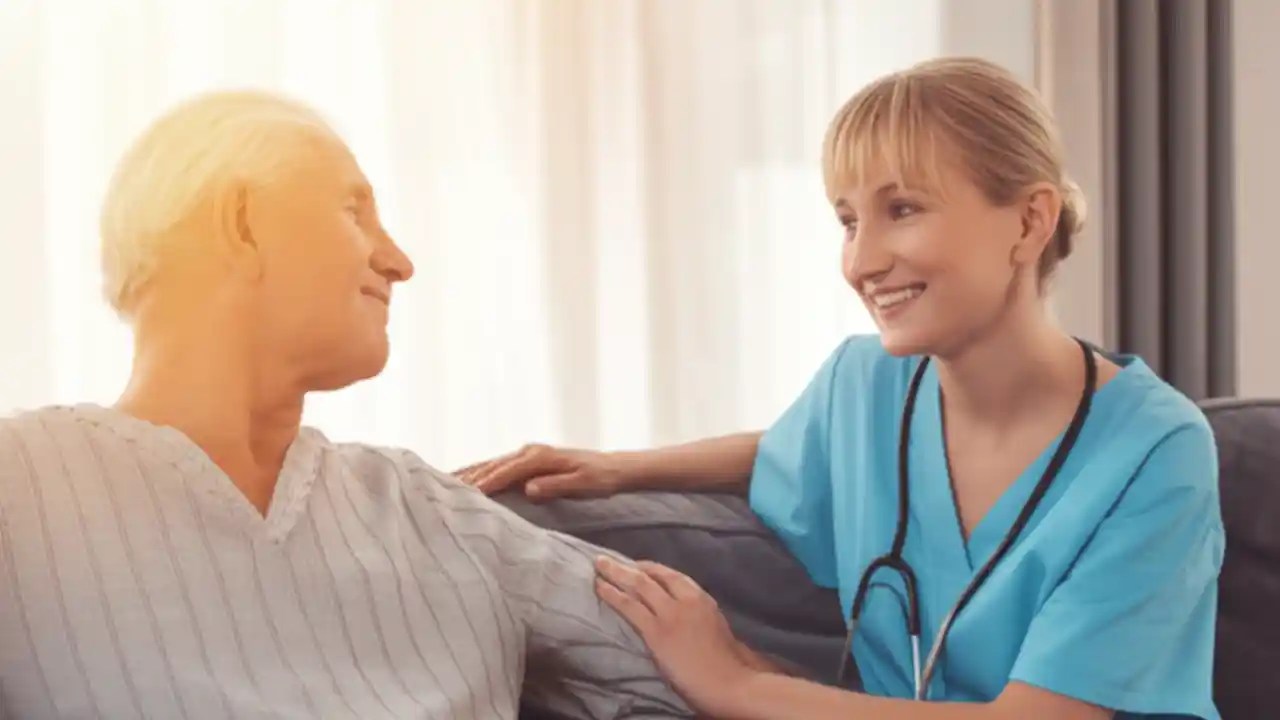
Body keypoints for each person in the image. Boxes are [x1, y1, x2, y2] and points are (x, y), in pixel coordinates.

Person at [461, 58, 1224, 720]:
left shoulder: (1157, 452)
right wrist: (618, 469)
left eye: (903, 209)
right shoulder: (865, 386)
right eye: (849, 221)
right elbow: (789, 449)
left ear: (1028, 223)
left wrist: (735, 682)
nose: (862, 262)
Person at [0, 91, 697, 719]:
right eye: (354, 212)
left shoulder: (426, 508)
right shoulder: (23, 485)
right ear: (239, 223)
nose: (399, 262)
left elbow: (699, 679)